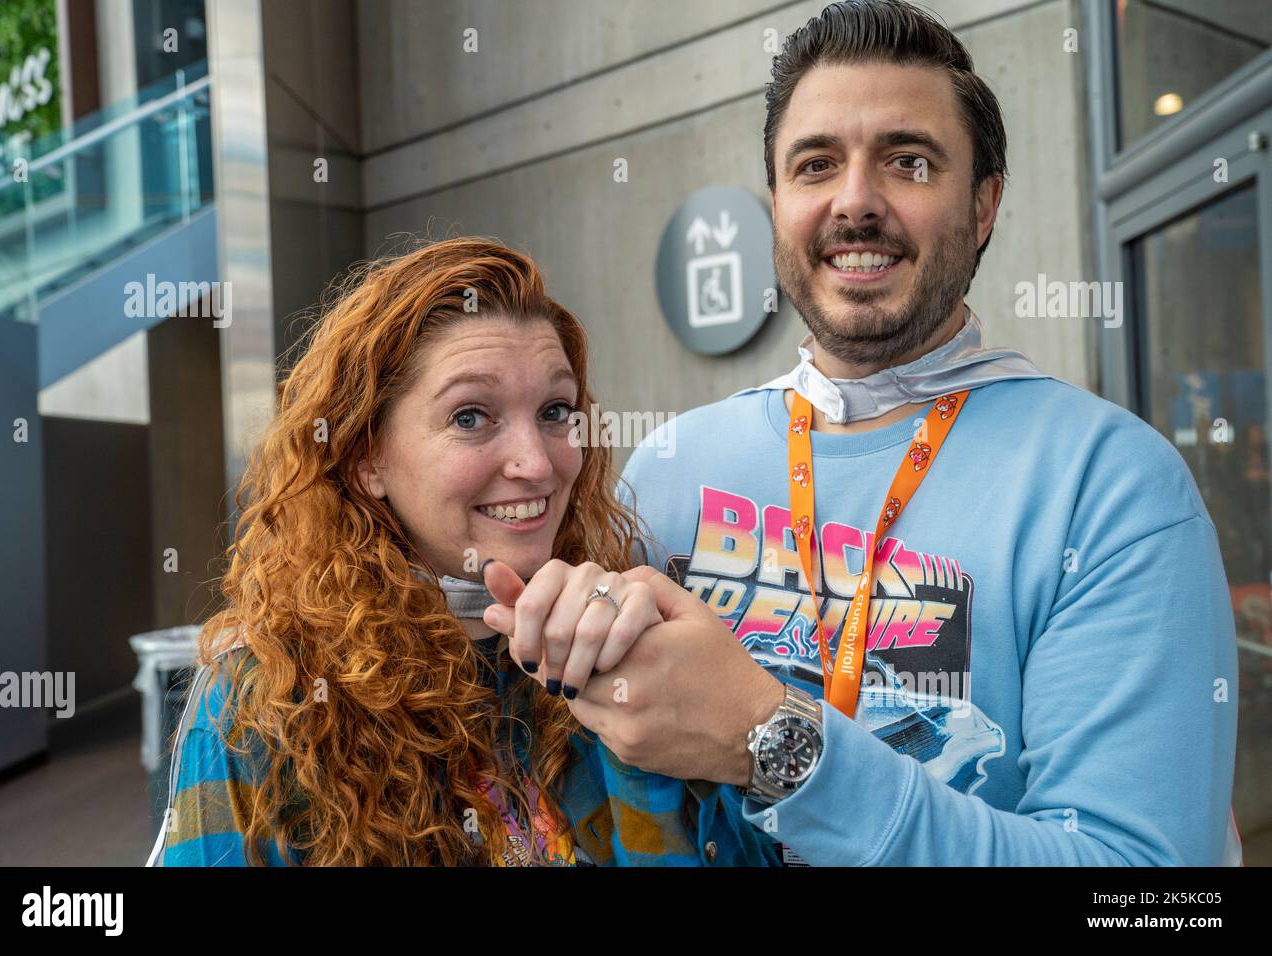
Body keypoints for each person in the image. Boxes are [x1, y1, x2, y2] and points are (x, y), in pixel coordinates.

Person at [485, 0, 1242, 866]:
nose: (855, 203)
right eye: (815, 166)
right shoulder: (663, 470)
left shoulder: (1109, 485)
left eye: (908, 162)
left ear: (984, 205)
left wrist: (773, 741)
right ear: (777, 204)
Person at [147, 236, 777, 866]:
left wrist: (667, 727)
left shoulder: (619, 650)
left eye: (556, 411)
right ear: (367, 459)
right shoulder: (265, 697)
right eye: (471, 417)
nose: (536, 463)